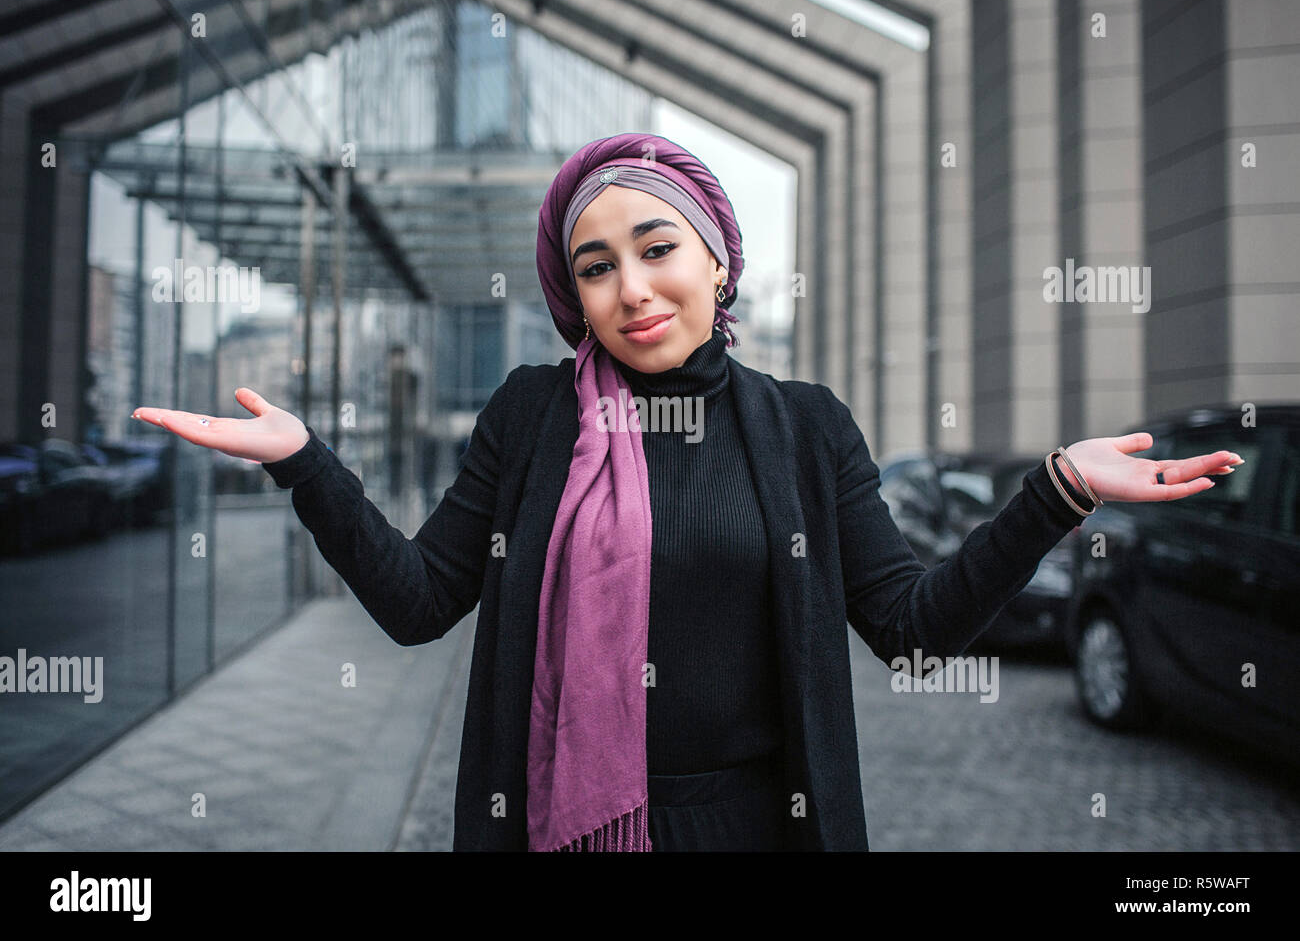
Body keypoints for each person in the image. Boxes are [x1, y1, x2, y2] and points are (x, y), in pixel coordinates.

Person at [131, 132, 1241, 852]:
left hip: (756, 825)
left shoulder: (803, 425)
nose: (629, 287)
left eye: (654, 246)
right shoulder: (531, 415)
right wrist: (303, 459)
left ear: (717, 258)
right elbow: (421, 599)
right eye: (594, 267)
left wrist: (1056, 488)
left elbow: (911, 627)